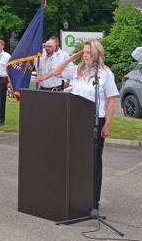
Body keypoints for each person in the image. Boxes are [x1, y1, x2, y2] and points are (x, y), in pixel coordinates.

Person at [48, 40, 119, 216]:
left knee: (93, 162)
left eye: (88, 52)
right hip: (76, 121)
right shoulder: (78, 71)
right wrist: (74, 56)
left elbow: (111, 101)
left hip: (96, 121)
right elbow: (56, 72)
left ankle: (94, 201)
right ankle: (77, 198)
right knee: (76, 160)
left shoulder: (105, 74)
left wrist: (107, 125)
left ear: (96, 54)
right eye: (84, 52)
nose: (85, 55)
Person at [0, 39, 11, 126]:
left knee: (1, 100)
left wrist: (9, 82)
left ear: (3, 46)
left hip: (2, 79)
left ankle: (1, 119)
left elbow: (10, 70)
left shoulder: (7, 56)